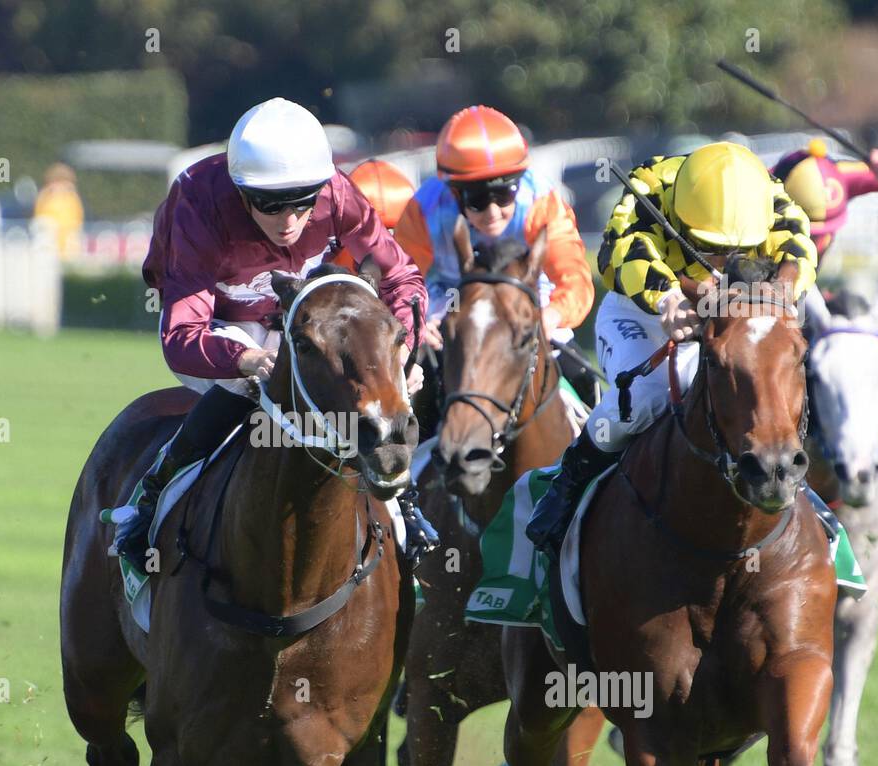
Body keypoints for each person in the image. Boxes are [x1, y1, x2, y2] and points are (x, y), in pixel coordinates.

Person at [117, 97, 436, 568]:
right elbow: (183, 333)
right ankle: (151, 500)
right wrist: (245, 362)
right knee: (253, 388)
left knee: (362, 397)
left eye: (302, 203)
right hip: (224, 326)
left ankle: (401, 509)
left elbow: (401, 280)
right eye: (269, 205)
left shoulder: (336, 193)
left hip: (300, 323)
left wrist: (401, 351)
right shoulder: (199, 203)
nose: (288, 221)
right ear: (241, 192)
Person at [526, 141, 818, 554]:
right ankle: (569, 485)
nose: (721, 260)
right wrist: (667, 298)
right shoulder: (648, 188)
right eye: (709, 247)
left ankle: (809, 499)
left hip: (737, 320)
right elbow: (621, 252)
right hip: (641, 314)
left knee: (782, 382)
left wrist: (780, 294)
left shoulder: (770, 197)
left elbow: (800, 250)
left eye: (733, 251)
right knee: (649, 395)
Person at [394, 105, 598, 408]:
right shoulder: (423, 211)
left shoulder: (541, 202)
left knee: (584, 378)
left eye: (504, 195)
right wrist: (420, 322)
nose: (492, 213)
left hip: (529, 312)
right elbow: (400, 283)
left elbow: (574, 280)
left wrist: (550, 317)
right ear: (453, 192)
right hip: (453, 313)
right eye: (476, 200)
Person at [772, 139, 878, 502]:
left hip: (807, 293)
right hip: (758, 294)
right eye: (808, 234)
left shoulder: (844, 176)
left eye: (822, 232)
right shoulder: (762, 187)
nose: (815, 244)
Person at [33, 162, 85, 259]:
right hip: (49, 243)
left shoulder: (72, 198)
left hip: (68, 243)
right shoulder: (45, 197)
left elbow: (77, 220)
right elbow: (40, 219)